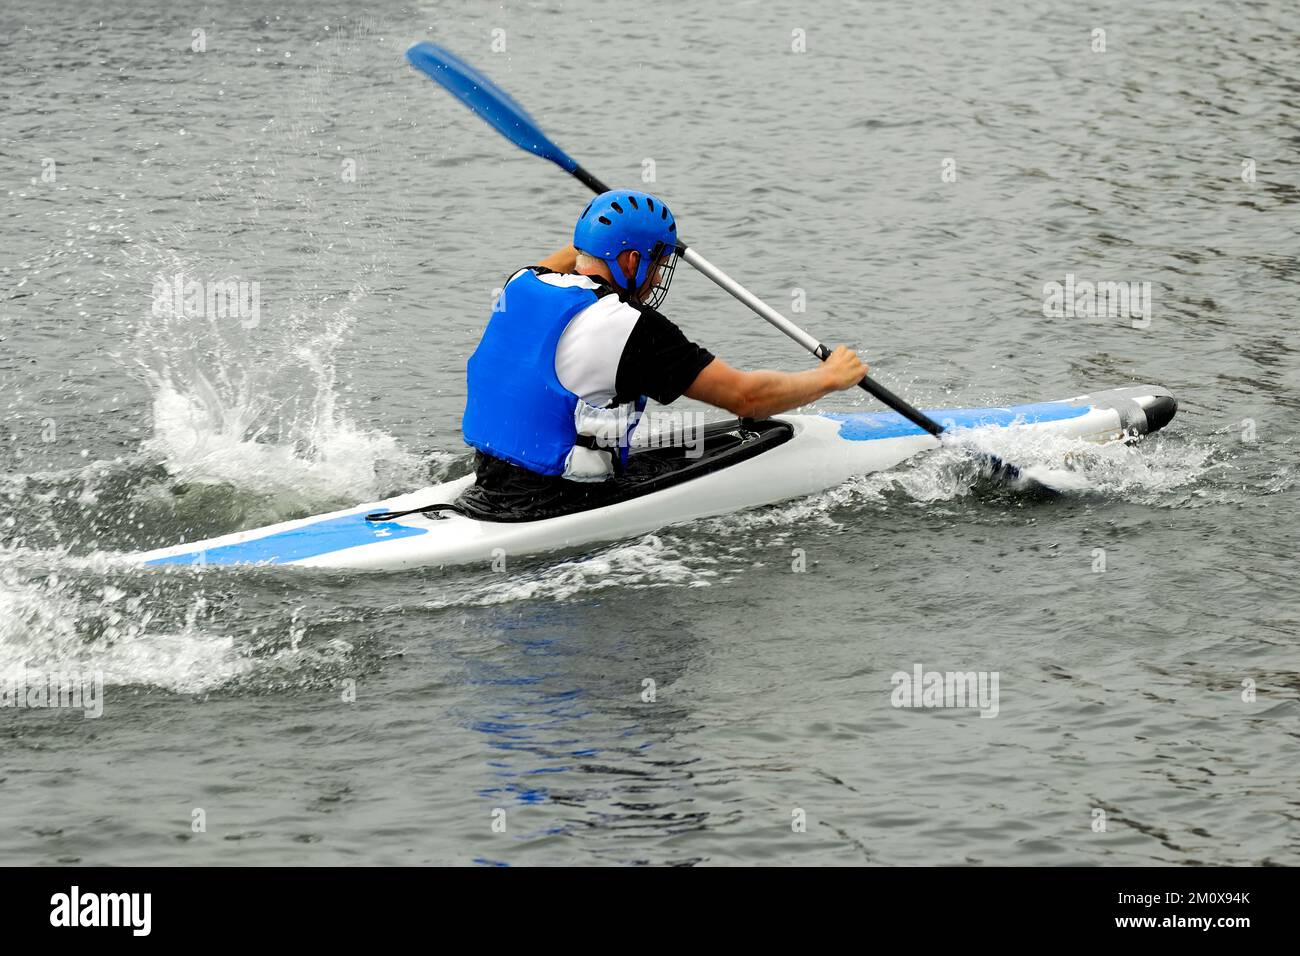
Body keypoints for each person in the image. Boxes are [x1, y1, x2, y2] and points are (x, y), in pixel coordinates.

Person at [458, 189, 866, 516]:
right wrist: (830, 377)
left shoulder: (522, 283)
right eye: (655, 265)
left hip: (491, 479)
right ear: (633, 260)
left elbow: (578, 257)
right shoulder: (629, 327)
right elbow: (749, 398)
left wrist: (611, 225)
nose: (654, 281)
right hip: (558, 501)